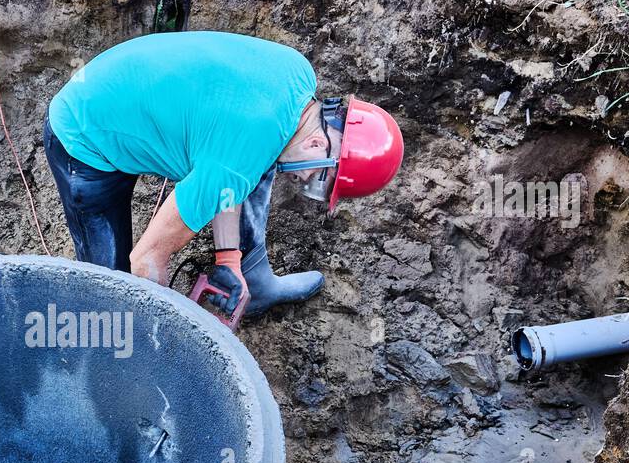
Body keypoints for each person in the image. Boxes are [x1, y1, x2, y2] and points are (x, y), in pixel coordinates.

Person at [44, 31, 404, 317]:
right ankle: (97, 357)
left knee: (264, 161)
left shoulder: (297, 75)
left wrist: (228, 260)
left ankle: (251, 276)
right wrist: (165, 325)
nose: (305, 182)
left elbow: (234, 170)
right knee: (111, 291)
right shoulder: (236, 162)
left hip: (126, 94)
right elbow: (147, 259)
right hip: (84, 134)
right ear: (318, 146)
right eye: (318, 179)